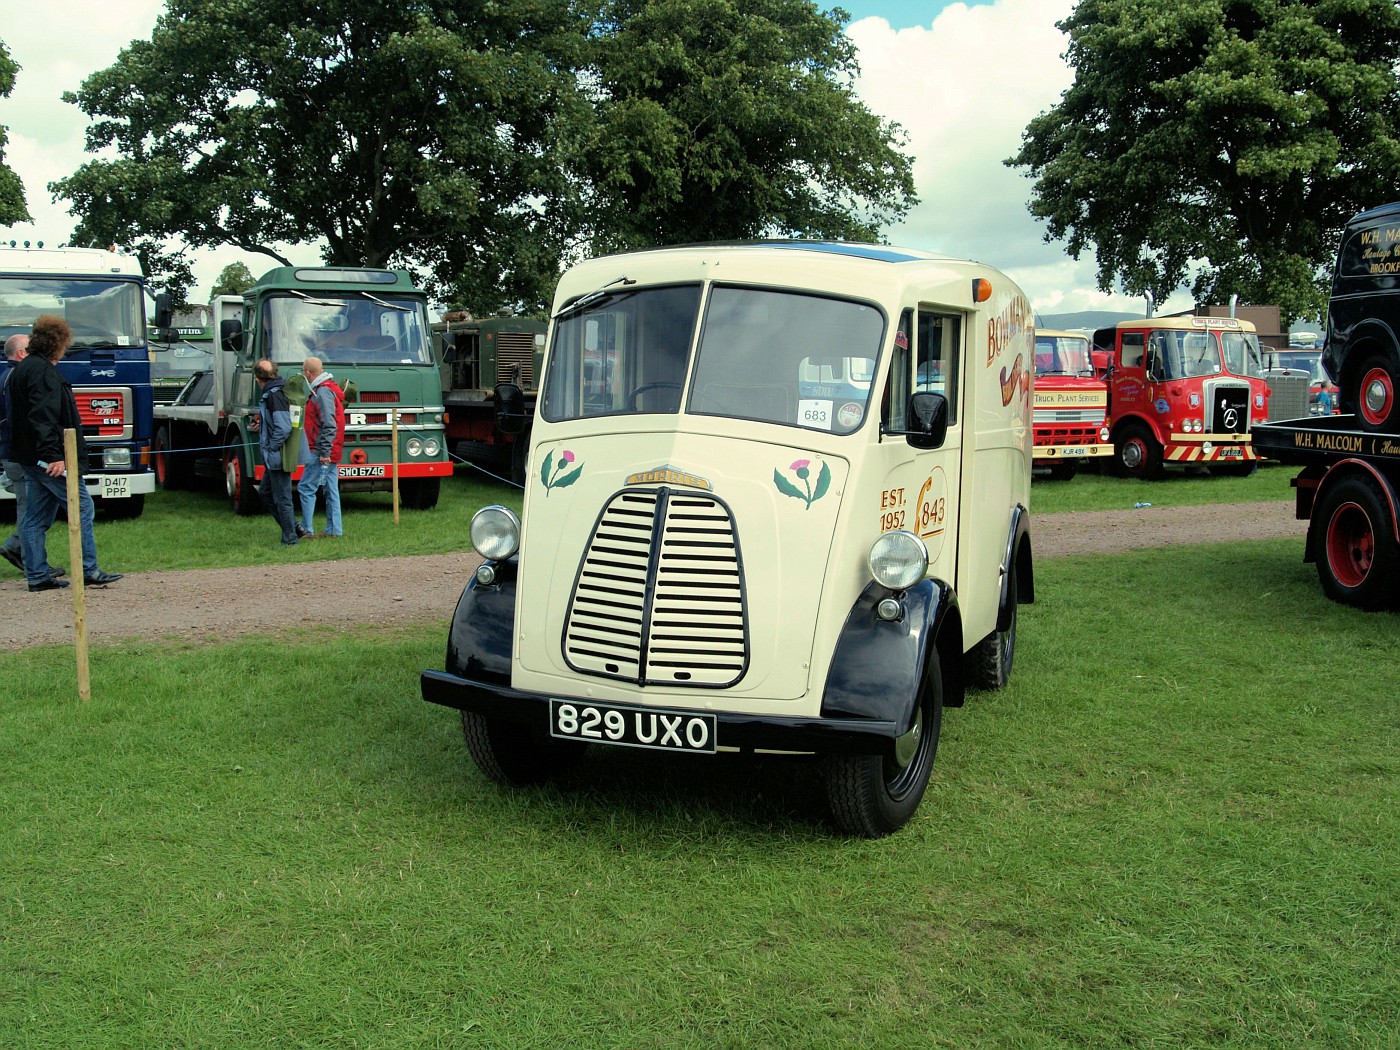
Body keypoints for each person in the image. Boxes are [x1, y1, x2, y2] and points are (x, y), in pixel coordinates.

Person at [7, 316, 122, 591]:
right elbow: (43, 417)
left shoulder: (23, 369)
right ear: (58, 343)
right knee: (81, 506)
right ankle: (88, 568)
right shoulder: (43, 372)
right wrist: (53, 455)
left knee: (35, 517)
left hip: (28, 455)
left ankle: (37, 575)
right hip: (48, 457)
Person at [2, 334, 66, 579]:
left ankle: (24, 554)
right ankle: (33, 564)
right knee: (30, 510)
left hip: (17, 452)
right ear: (21, 353)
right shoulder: (17, 377)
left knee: (37, 508)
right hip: (21, 454)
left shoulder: (10, 376)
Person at [250, 359, 300, 546]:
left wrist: (271, 446)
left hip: (278, 455)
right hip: (275, 456)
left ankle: (290, 539)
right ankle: (295, 528)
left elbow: (283, 427)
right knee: (265, 492)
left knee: (283, 499)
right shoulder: (276, 391)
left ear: (257, 379)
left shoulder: (274, 395)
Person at [297, 356, 346, 538]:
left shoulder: (322, 392)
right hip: (330, 448)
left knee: (306, 487)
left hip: (320, 449)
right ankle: (334, 530)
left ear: (309, 373)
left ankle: (307, 530)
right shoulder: (328, 389)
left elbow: (328, 424)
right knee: (331, 489)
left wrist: (324, 451)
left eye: (304, 372)